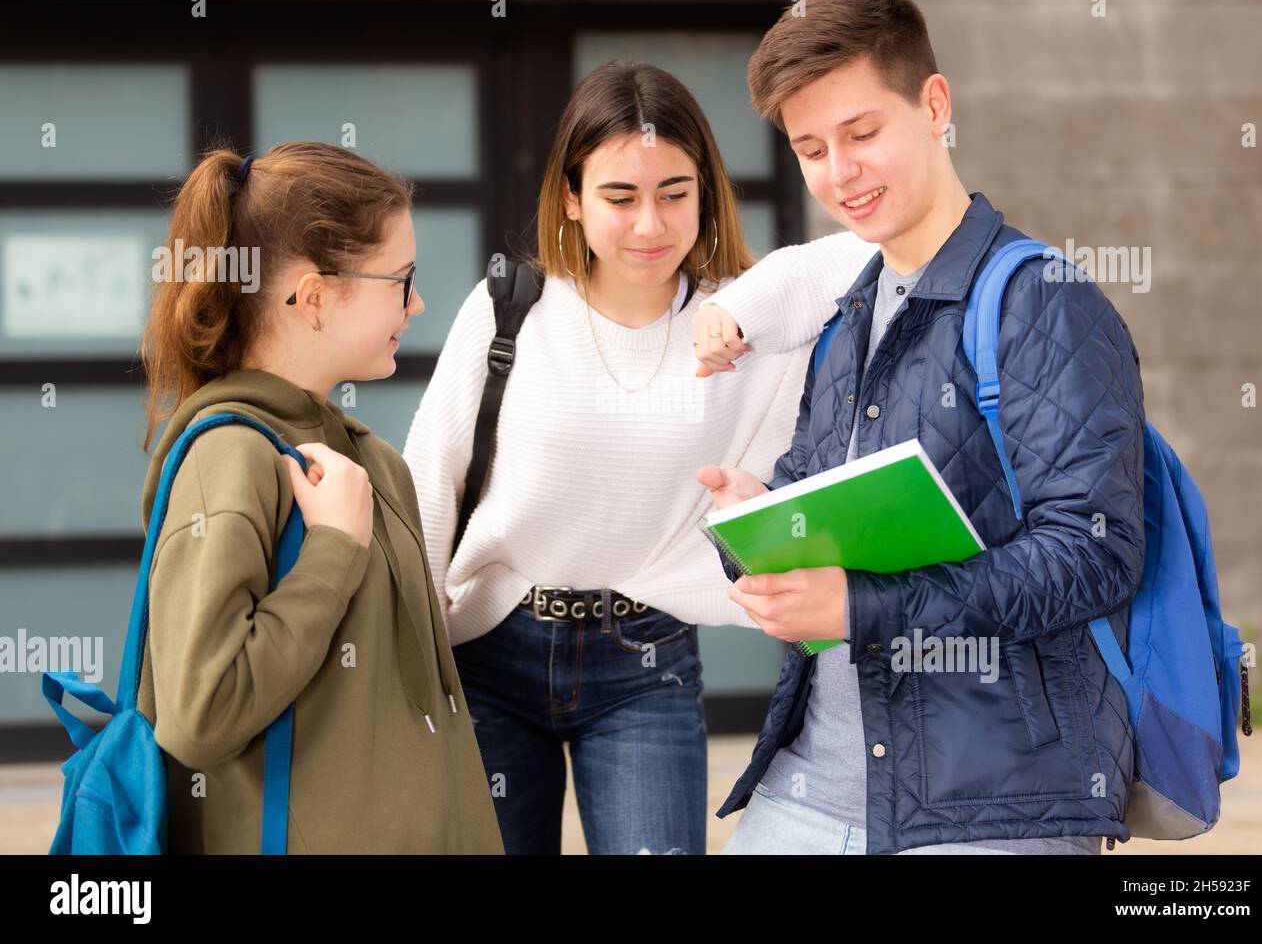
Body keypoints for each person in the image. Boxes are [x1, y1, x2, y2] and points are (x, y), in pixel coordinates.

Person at [694, 0, 1145, 855]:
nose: (840, 173)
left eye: (863, 132)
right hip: (808, 789)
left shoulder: (1043, 302)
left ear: (935, 105)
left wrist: (862, 609)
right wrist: (758, 515)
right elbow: (827, 503)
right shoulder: (848, 316)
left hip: (994, 808)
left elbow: (1095, 553)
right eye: (811, 147)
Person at [402, 60, 875, 855]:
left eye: (675, 193)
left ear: (705, 189)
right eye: (620, 197)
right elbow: (428, 481)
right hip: (490, 649)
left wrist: (747, 302)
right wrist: (407, 656)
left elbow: (880, 251)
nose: (651, 225)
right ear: (572, 199)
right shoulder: (510, 309)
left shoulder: (753, 321)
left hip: (646, 661)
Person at [136, 141, 504, 853]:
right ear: (312, 296)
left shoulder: (372, 460)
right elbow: (199, 714)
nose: (418, 302)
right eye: (401, 279)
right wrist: (332, 553)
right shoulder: (229, 459)